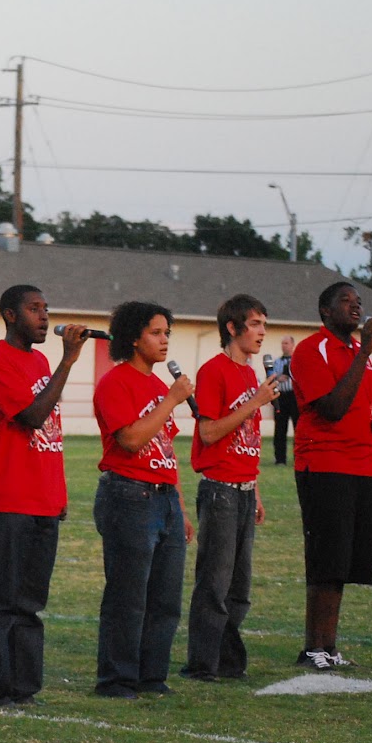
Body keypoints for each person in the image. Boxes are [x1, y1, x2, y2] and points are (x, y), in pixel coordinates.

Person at [0, 285, 86, 707]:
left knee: (31, 602)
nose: (44, 316)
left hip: (41, 499)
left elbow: (52, 435)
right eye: (34, 309)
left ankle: (24, 687)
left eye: (46, 308)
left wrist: (57, 493)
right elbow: (33, 417)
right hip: (7, 497)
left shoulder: (39, 360)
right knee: (2, 598)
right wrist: (69, 360)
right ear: (10, 315)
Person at [92, 301, 194, 699]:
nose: (164, 339)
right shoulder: (115, 382)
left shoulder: (157, 385)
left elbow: (166, 451)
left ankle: (152, 676)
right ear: (134, 338)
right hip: (129, 496)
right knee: (127, 597)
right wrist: (171, 399)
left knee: (165, 598)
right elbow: (131, 440)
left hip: (164, 497)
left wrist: (180, 508)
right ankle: (117, 680)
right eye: (156, 332)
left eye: (167, 332)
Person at [290, 282, 372, 671]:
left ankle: (329, 647)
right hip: (325, 464)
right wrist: (364, 349)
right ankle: (312, 646)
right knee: (326, 562)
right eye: (345, 301)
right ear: (324, 311)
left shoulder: (355, 353)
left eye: (358, 301)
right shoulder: (310, 350)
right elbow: (332, 407)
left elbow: (364, 412)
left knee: (346, 564)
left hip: (360, 465)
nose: (355, 306)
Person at [182, 295, 281, 682]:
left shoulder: (250, 374)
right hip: (220, 489)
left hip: (242, 488)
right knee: (215, 582)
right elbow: (208, 431)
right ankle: (203, 663)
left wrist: (254, 487)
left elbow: (248, 435)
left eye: (264, 326)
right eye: (255, 324)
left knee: (239, 587)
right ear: (232, 328)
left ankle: (226, 658)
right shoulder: (215, 371)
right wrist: (255, 401)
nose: (261, 333)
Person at [270, 335, 298, 465]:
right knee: (280, 428)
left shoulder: (298, 360)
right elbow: (271, 377)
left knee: (298, 428)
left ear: (292, 345)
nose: (284, 346)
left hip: (295, 396)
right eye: (282, 343)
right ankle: (280, 459)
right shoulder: (277, 362)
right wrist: (278, 378)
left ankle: (299, 457)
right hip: (281, 396)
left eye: (286, 343)